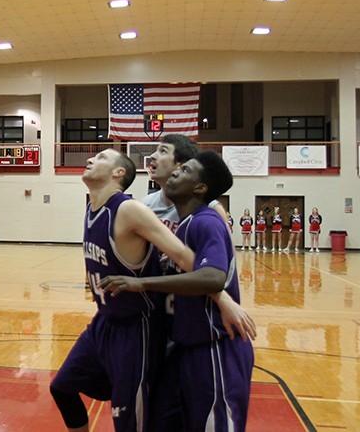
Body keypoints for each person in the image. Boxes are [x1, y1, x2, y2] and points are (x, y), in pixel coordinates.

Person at [101, 151, 254, 432]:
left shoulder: (205, 221)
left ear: (200, 188)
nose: (175, 172)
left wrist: (141, 284)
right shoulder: (180, 227)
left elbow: (213, 278)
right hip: (183, 349)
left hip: (215, 348)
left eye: (185, 171)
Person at [49, 149, 197, 432]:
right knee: (62, 387)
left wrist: (223, 297)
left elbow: (185, 256)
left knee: (131, 422)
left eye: (102, 157)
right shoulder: (93, 209)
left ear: (119, 173)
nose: (91, 159)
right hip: (103, 324)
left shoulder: (129, 210)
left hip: (137, 327)